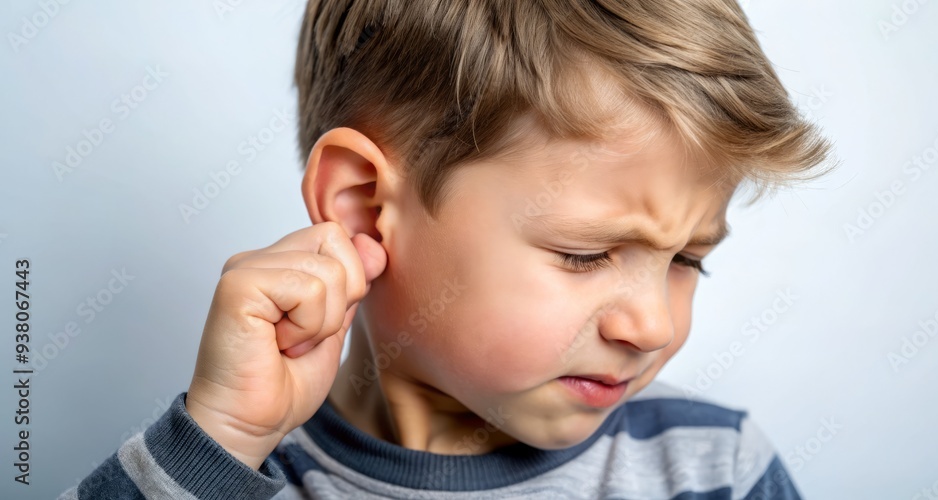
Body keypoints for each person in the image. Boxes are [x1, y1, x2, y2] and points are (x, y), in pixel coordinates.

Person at [60, 0, 833, 498]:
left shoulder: (712, 469)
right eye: (584, 254)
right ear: (364, 207)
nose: (654, 327)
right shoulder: (233, 476)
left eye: (687, 260)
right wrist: (218, 439)